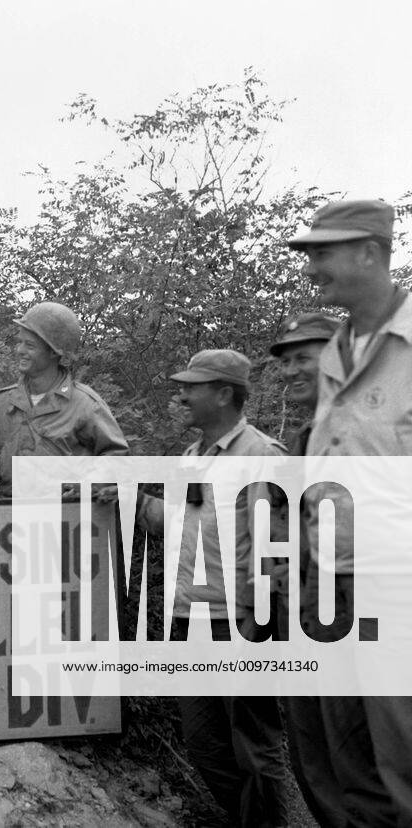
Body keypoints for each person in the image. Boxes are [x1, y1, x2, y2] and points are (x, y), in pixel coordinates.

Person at [288, 198, 411, 825]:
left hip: (396, 586)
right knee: (350, 769)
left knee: (404, 766)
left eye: (323, 252)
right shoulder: (337, 349)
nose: (312, 268)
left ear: (370, 252)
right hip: (331, 580)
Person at [138, 349, 290, 827]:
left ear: (224, 394)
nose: (180, 394)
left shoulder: (262, 455)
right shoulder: (191, 457)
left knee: (254, 746)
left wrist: (259, 618)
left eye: (192, 387)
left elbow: (280, 545)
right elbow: (180, 525)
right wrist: (131, 500)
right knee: (204, 745)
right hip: (192, 619)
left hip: (238, 623)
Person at [268, 312, 393, 827]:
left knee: (361, 763)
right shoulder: (304, 439)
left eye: (305, 357)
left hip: (359, 615)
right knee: (312, 757)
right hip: (308, 617)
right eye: (287, 361)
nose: (291, 371)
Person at [0, 301, 128, 496]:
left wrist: (86, 487)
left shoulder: (84, 404)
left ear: (54, 351)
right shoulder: (3, 401)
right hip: (10, 511)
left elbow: (117, 457)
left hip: (66, 515)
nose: (19, 350)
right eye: (19, 342)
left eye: (29, 345)